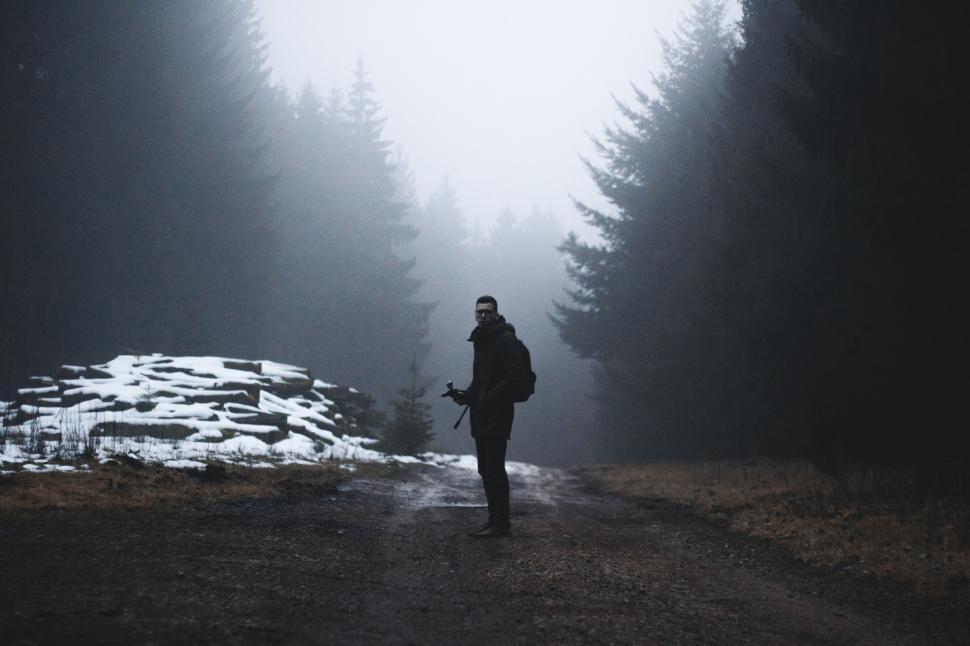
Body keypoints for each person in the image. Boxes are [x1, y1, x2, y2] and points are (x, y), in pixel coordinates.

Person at [451, 295, 526, 538]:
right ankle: (495, 521)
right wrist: (466, 395)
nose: (482, 315)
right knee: (486, 468)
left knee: (494, 468)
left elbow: (514, 378)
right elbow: (481, 381)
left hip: (498, 414)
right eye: (479, 312)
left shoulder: (505, 340)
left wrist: (488, 398)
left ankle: (501, 524)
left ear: (496, 313)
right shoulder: (482, 340)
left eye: (487, 311)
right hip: (482, 413)